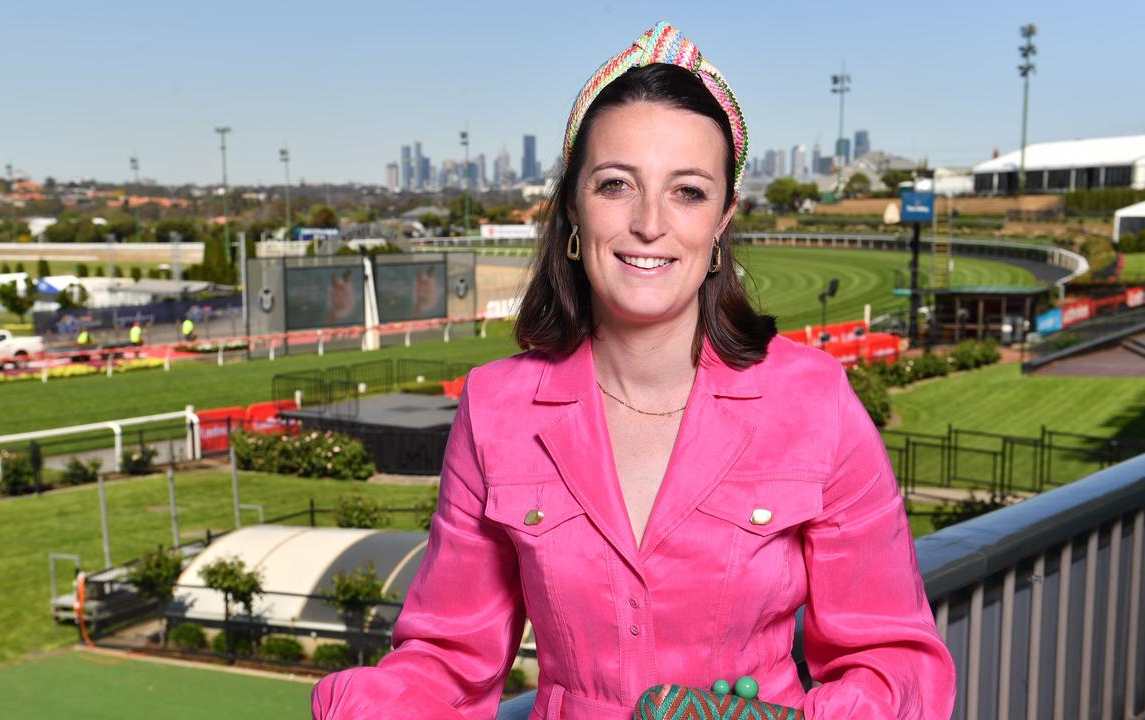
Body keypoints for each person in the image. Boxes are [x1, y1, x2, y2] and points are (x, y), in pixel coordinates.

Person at [311, 22, 954, 720]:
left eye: (687, 192)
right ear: (574, 210)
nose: (650, 223)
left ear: (722, 222)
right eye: (617, 184)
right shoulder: (497, 406)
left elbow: (896, 660)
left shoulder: (815, 399)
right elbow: (447, 659)